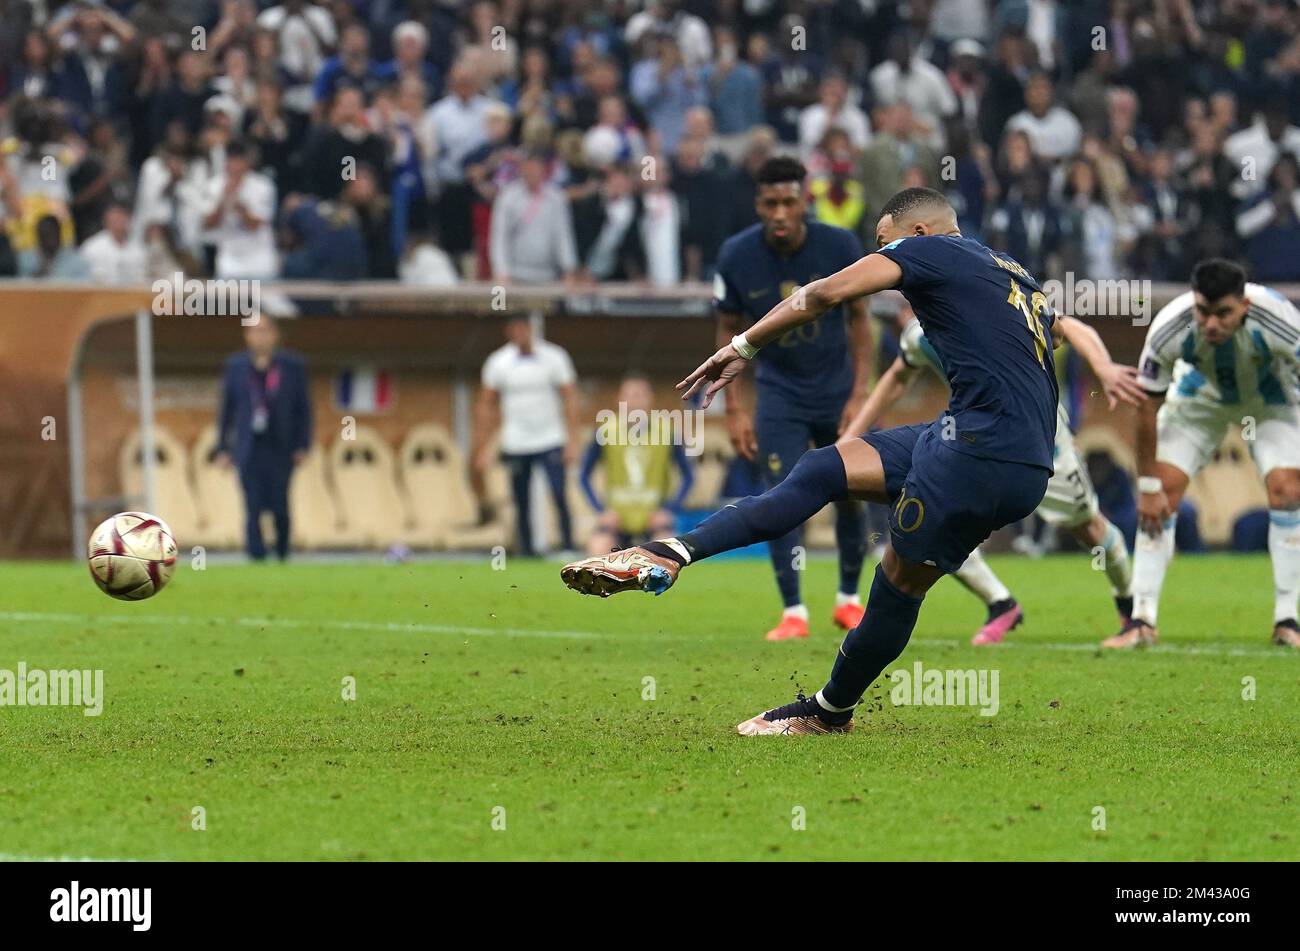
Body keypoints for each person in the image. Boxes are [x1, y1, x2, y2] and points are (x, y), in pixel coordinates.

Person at [561, 187, 1062, 736]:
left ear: (916, 233)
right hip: (1004, 446)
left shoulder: (927, 252)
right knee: (824, 468)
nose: (882, 257)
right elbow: (1049, 340)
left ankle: (828, 712)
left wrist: (743, 346)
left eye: (883, 244)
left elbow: (823, 294)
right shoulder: (1011, 269)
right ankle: (671, 551)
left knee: (898, 583)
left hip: (981, 451)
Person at [839, 304, 1144, 644]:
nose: (907, 313)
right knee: (938, 521)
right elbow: (898, 375)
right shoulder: (919, 334)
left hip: (1040, 439)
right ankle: (1001, 603)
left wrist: (1104, 368)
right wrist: (851, 437)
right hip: (977, 443)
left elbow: (1070, 327)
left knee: (1088, 526)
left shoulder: (992, 306)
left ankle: (1132, 609)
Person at [711, 156, 872, 642]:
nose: (780, 213)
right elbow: (726, 331)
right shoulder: (736, 256)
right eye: (770, 203)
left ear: (806, 200)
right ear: (758, 205)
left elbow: (861, 320)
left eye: (789, 201)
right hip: (779, 394)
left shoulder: (840, 246)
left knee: (851, 493)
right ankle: (793, 613)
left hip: (838, 390)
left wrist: (860, 393)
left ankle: (848, 601)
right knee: (781, 497)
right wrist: (734, 410)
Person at [1106, 259, 1300, 649]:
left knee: (1287, 490)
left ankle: (1287, 619)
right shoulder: (1170, 327)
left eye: (1223, 313)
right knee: (1164, 490)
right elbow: (1146, 407)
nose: (1211, 324)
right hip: (1200, 401)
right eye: (1204, 312)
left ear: (1244, 305)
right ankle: (1142, 620)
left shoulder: (1281, 320)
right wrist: (1146, 487)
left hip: (1269, 402)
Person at [473, 316, 580, 557]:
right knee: (521, 499)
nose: (520, 334)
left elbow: (570, 397)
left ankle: (567, 546)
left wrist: (572, 441)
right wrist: (483, 446)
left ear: (531, 330)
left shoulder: (555, 357)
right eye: (515, 329)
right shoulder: (498, 362)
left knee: (559, 493)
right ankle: (527, 550)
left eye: (525, 329)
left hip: (551, 438)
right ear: (509, 332)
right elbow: (485, 404)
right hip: (516, 441)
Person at [215, 315, 313, 561]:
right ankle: (255, 554)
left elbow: (304, 409)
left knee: (280, 502)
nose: (260, 336)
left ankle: (281, 551)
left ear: (275, 334)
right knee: (252, 503)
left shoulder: (292, 366)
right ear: (247, 336)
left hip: (281, 446)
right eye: (254, 331)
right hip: (249, 447)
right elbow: (227, 410)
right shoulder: (236, 366)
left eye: (264, 330)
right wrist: (223, 449)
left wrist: (303, 445)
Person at [580, 375, 695, 555]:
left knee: (667, 554)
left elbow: (688, 476)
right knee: (598, 549)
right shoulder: (605, 431)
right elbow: (584, 475)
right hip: (617, 520)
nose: (635, 401)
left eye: (640, 395)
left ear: (650, 399)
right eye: (630, 395)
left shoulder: (667, 432)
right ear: (619, 400)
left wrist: (668, 510)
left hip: (653, 520)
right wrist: (602, 511)